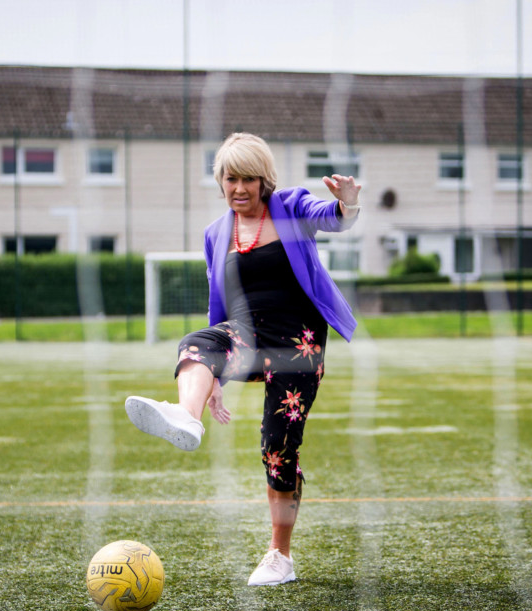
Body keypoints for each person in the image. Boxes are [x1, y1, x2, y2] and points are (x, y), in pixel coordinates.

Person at [125, 132, 360, 586]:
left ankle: (280, 557)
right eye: (230, 179)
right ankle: (187, 416)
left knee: (278, 447)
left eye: (248, 179)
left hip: (297, 345)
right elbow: (220, 306)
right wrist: (215, 378)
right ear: (221, 181)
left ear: (263, 179)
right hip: (248, 336)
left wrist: (347, 203)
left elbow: (331, 218)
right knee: (196, 343)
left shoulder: (290, 206)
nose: (238, 188)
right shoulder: (216, 233)